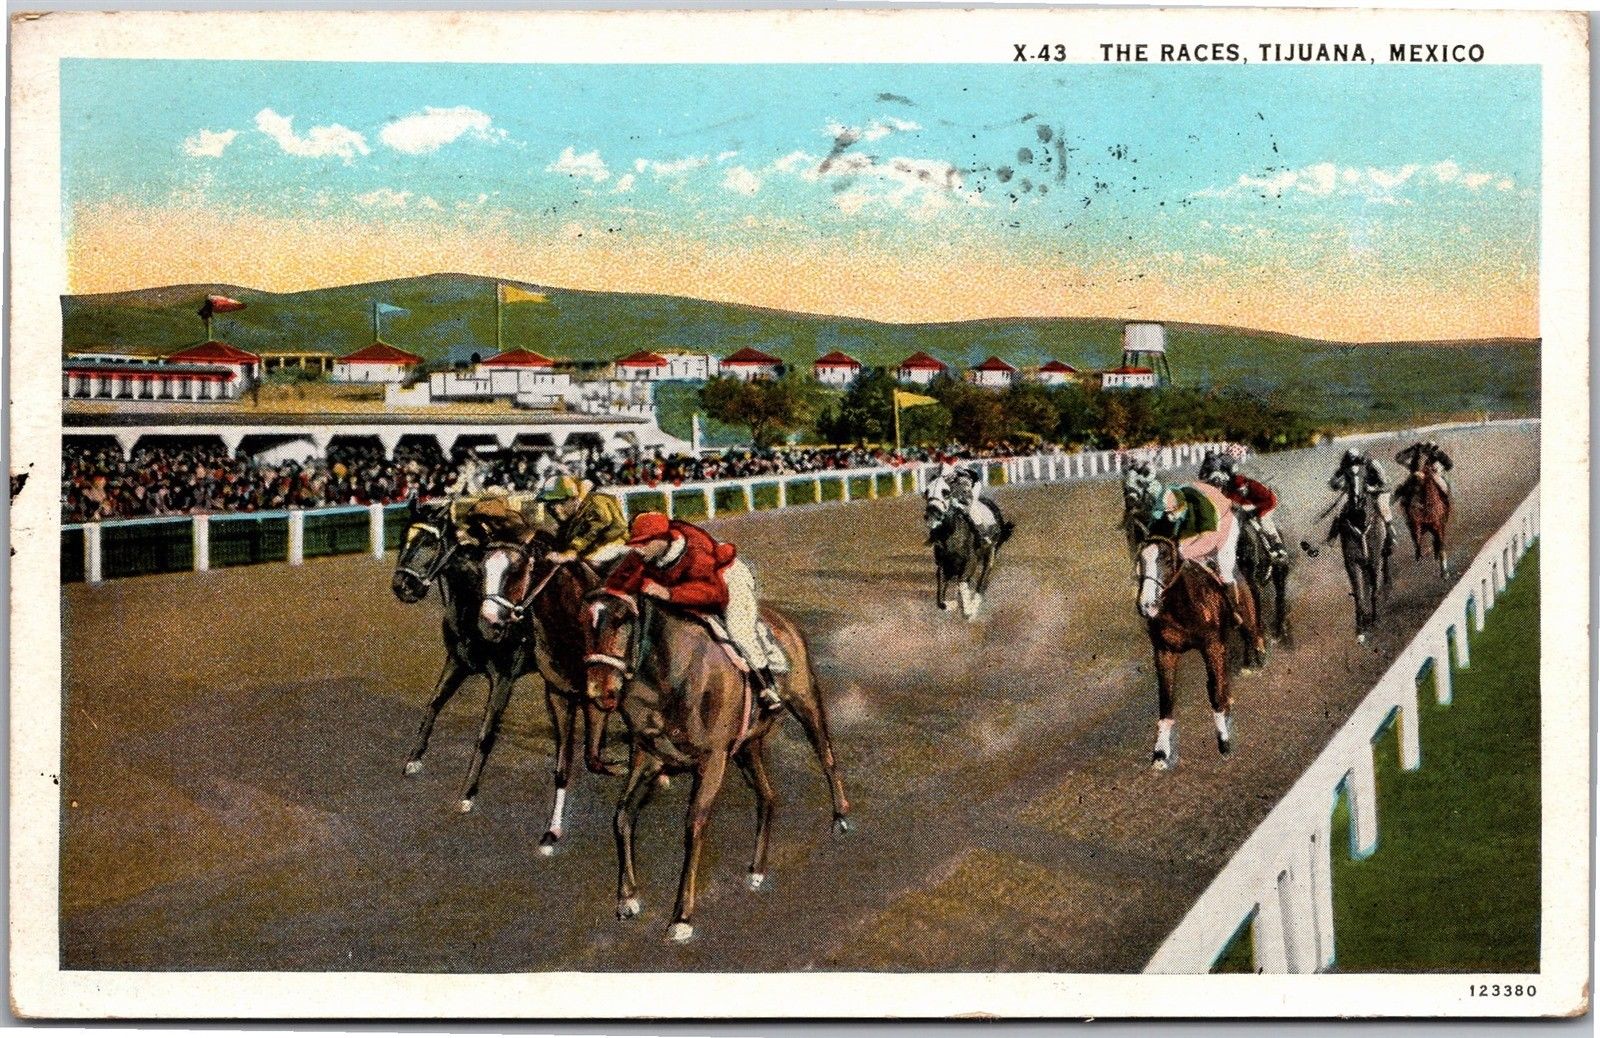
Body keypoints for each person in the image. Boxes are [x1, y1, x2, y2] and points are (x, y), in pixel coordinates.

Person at [604, 511, 788, 712]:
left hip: (726, 580)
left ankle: (767, 685)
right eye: (636, 544)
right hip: (688, 585)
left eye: (643, 543)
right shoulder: (646, 552)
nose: (638, 550)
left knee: (738, 630)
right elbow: (615, 585)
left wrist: (667, 593)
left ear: (661, 539)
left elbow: (714, 593)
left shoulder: (694, 550)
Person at [1150, 479, 1245, 624]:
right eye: (1166, 513)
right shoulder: (1167, 499)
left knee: (1224, 570)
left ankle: (1234, 611)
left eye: (1171, 512)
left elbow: (1209, 540)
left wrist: (1185, 553)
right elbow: (1157, 526)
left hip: (1222, 525)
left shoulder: (1202, 507)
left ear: (1180, 506)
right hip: (1193, 524)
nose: (1169, 516)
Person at [538, 474, 630, 569]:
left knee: (588, 561)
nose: (554, 509)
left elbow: (593, 530)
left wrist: (570, 553)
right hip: (591, 551)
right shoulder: (571, 517)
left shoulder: (596, 502)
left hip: (613, 549)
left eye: (559, 503)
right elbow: (562, 539)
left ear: (573, 499)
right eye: (550, 505)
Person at [1208, 458, 1288, 563]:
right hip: (1251, 504)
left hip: (1265, 501)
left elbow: (1242, 498)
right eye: (1214, 486)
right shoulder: (1226, 490)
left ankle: (1277, 544)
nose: (1217, 488)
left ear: (1223, 482)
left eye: (1218, 485)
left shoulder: (1237, 481)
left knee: (1262, 519)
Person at [1327, 447, 1395, 552]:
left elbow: (1385, 484)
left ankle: (1391, 533)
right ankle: (1332, 537)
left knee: (1381, 506)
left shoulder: (1372, 464)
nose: (1352, 465)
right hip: (1355, 492)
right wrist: (1338, 485)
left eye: (1354, 461)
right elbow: (1333, 481)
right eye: (1350, 462)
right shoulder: (1345, 464)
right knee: (1339, 508)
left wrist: (1373, 489)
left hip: (1376, 490)